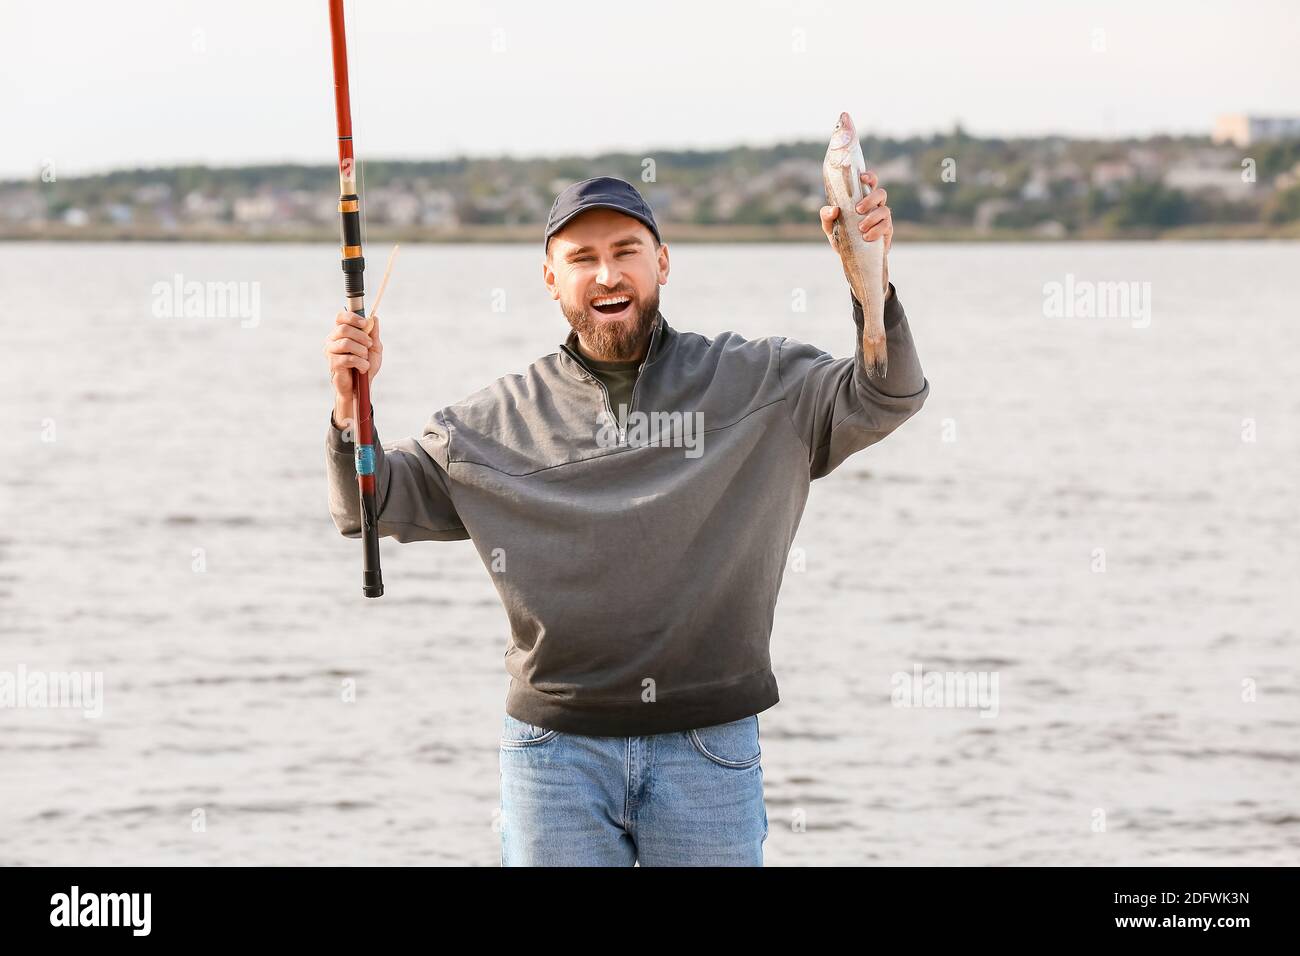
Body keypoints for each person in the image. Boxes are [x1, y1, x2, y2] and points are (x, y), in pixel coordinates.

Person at [323, 175, 929, 865]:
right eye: (581, 258)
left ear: (661, 262)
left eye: (626, 250)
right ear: (551, 279)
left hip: (710, 746)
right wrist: (351, 411)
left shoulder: (766, 384)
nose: (606, 273)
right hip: (554, 757)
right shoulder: (490, 424)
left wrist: (868, 278)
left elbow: (887, 393)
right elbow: (367, 506)